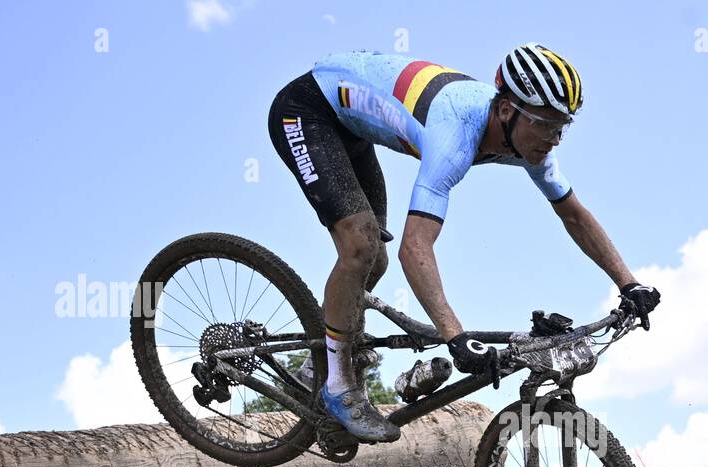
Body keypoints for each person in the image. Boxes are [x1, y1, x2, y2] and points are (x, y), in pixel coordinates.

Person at [268, 43, 661, 442]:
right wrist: (455, 335)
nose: (555, 138)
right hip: (308, 111)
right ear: (506, 111)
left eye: (563, 125)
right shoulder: (454, 135)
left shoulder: (528, 142)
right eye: (545, 124)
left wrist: (629, 283)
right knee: (360, 247)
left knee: (376, 261)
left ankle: (320, 361)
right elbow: (415, 248)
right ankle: (336, 382)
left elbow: (574, 214)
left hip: (350, 125)